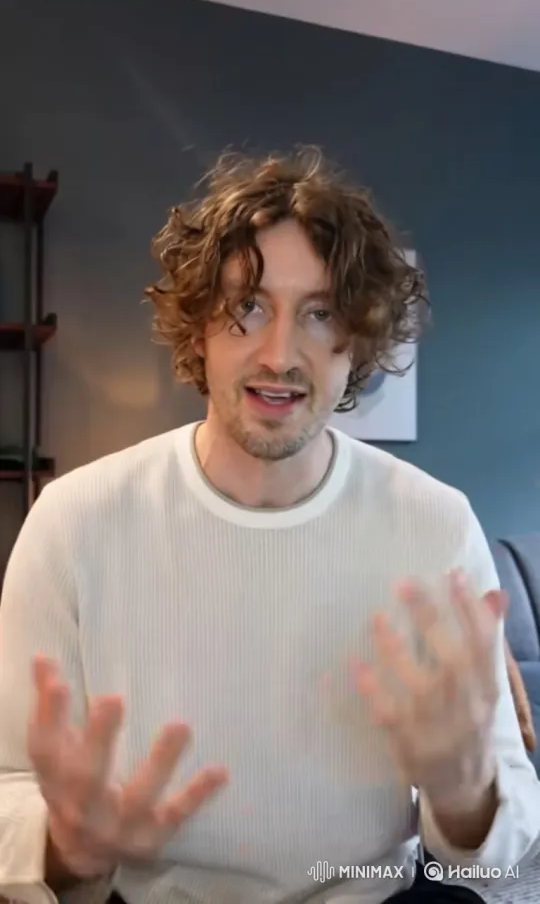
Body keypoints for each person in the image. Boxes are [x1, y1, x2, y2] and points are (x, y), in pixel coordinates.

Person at [0, 148, 538, 904]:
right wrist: (66, 846)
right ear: (197, 331)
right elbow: (10, 787)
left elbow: (502, 861)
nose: (281, 353)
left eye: (320, 314)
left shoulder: (435, 524)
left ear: (359, 341)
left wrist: (463, 795)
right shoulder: (73, 522)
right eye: (246, 307)